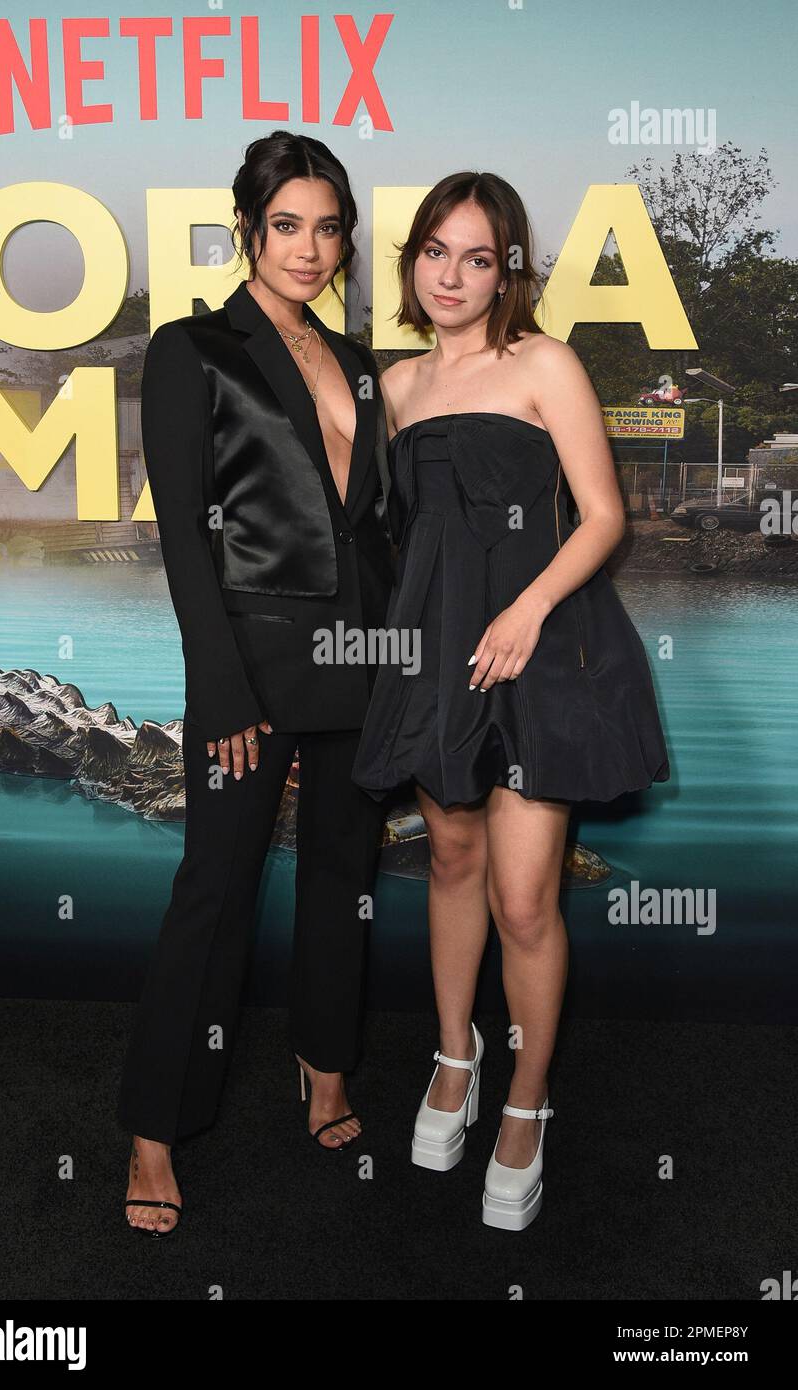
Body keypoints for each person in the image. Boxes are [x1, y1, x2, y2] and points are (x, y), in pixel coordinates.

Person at [351, 172, 670, 1231]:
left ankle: (526, 1100)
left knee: (525, 898)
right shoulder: (390, 388)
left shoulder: (541, 363)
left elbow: (601, 516)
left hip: (542, 643)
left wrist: (528, 608)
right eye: (434, 252)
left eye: (476, 257)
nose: (451, 275)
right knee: (447, 857)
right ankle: (456, 1055)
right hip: (439, 658)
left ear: (507, 270)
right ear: (411, 263)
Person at [117, 131, 395, 1235]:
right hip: (252, 659)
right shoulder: (194, 349)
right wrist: (220, 685)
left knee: (342, 873)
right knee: (214, 890)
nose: (310, 247)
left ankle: (325, 1068)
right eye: (288, 224)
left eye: (329, 227)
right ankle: (151, 1127)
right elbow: (184, 535)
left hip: (363, 658)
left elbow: (372, 524)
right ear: (248, 229)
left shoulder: (362, 359)